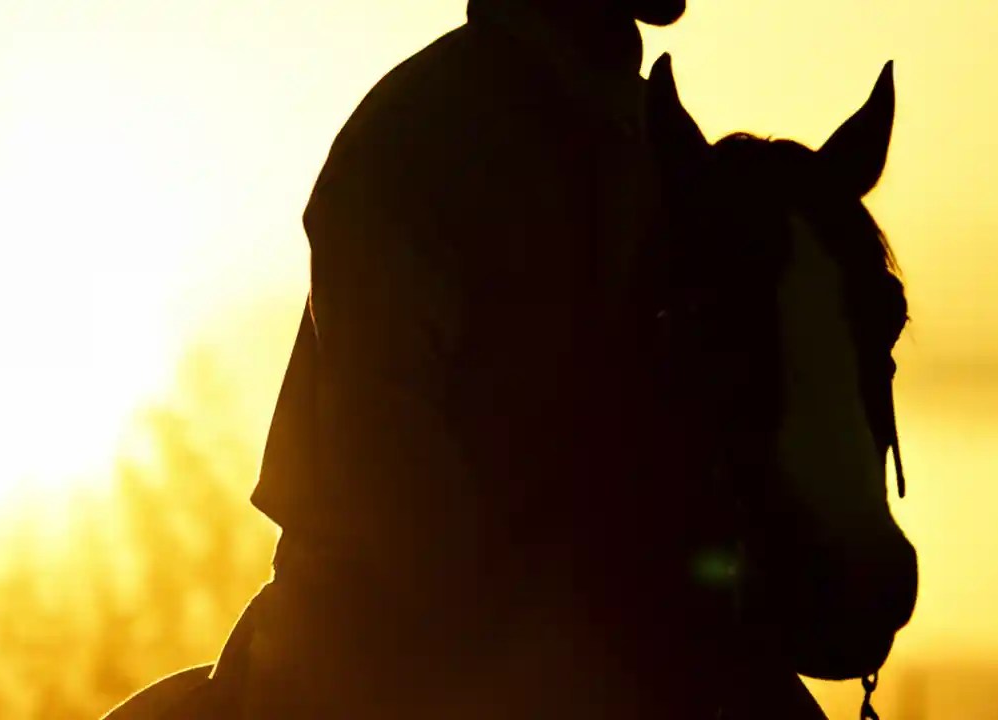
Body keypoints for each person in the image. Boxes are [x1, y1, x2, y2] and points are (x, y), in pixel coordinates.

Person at [199, 0, 822, 717]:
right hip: (392, 630)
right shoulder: (419, 136)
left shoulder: (659, 148)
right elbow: (382, 435)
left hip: (621, 621)